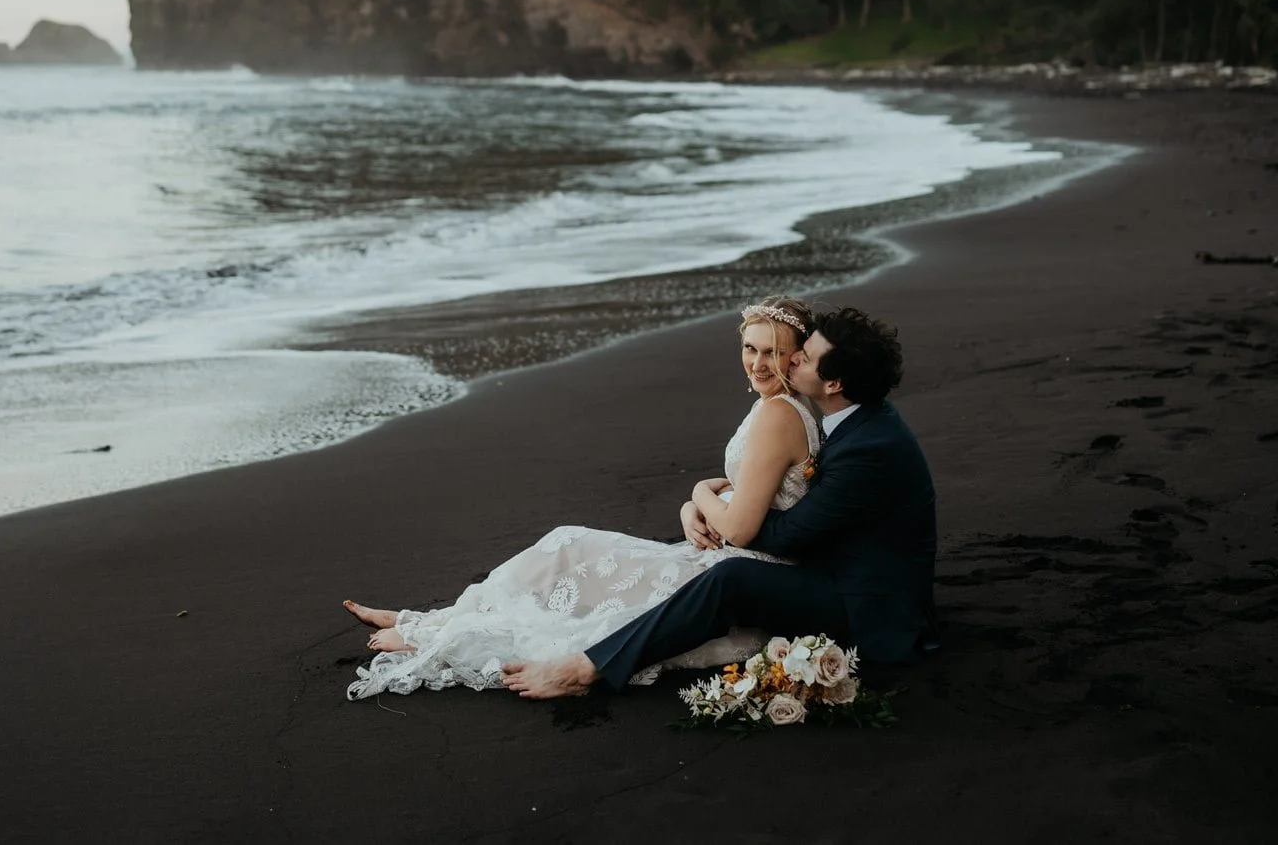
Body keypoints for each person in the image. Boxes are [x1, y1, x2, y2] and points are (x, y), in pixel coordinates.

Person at [342, 296, 824, 698]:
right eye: (749, 348)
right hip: (724, 556)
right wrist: (691, 508)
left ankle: (438, 634)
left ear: (795, 358)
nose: (757, 363)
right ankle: (436, 620)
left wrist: (699, 491)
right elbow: (755, 494)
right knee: (571, 549)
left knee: (574, 556)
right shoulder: (775, 406)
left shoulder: (778, 414)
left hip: (738, 568)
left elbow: (740, 526)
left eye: (771, 353)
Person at [498, 306, 935, 699]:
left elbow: (781, 533)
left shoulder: (868, 450)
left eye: (804, 356)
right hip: (841, 568)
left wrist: (706, 500)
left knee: (731, 579)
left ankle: (584, 668)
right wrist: (710, 507)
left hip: (866, 610)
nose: (794, 357)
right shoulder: (859, 420)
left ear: (835, 382)